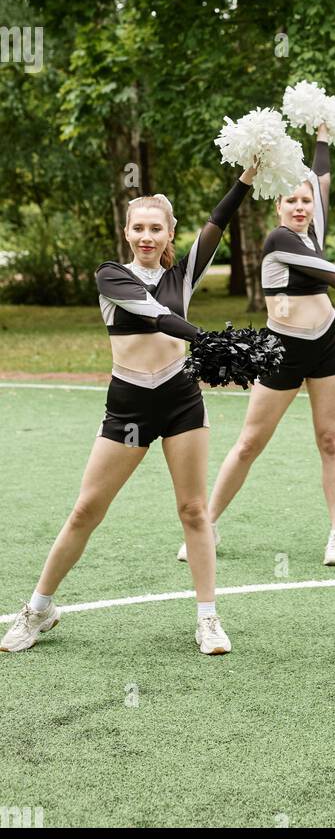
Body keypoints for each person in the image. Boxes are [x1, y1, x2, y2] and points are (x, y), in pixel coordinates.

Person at [1, 167, 257, 656]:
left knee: (194, 510)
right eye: (138, 227)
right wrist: (207, 340)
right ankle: (37, 610)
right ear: (126, 232)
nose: (146, 236)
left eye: (155, 228)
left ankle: (208, 618)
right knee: (86, 511)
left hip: (181, 400)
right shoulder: (111, 276)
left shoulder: (183, 275)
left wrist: (245, 177)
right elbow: (152, 314)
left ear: (168, 233)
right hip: (130, 408)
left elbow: (218, 222)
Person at [181, 124, 335, 568]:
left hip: (327, 346)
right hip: (281, 350)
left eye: (305, 202)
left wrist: (321, 133)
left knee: (330, 439)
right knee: (249, 443)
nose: (301, 206)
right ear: (277, 204)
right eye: (291, 201)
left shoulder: (310, 234)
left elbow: (322, 177)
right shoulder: (280, 240)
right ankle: (208, 525)